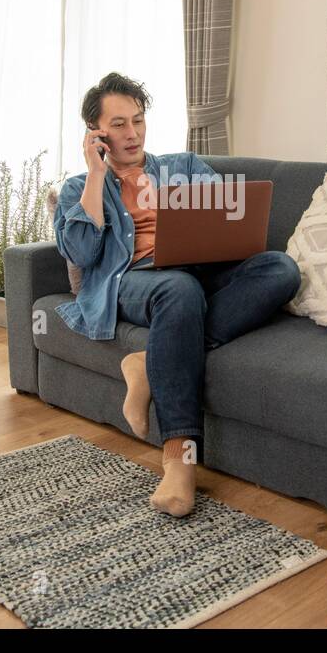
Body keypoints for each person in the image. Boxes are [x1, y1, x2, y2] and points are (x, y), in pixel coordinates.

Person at [53, 72, 301, 517]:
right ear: (96, 132)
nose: (132, 133)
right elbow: (84, 253)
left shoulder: (182, 166)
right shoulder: (79, 186)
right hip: (131, 281)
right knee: (178, 288)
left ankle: (150, 362)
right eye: (119, 124)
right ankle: (179, 460)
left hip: (196, 273)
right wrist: (95, 173)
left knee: (280, 268)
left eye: (139, 120)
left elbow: (227, 221)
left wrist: (219, 230)